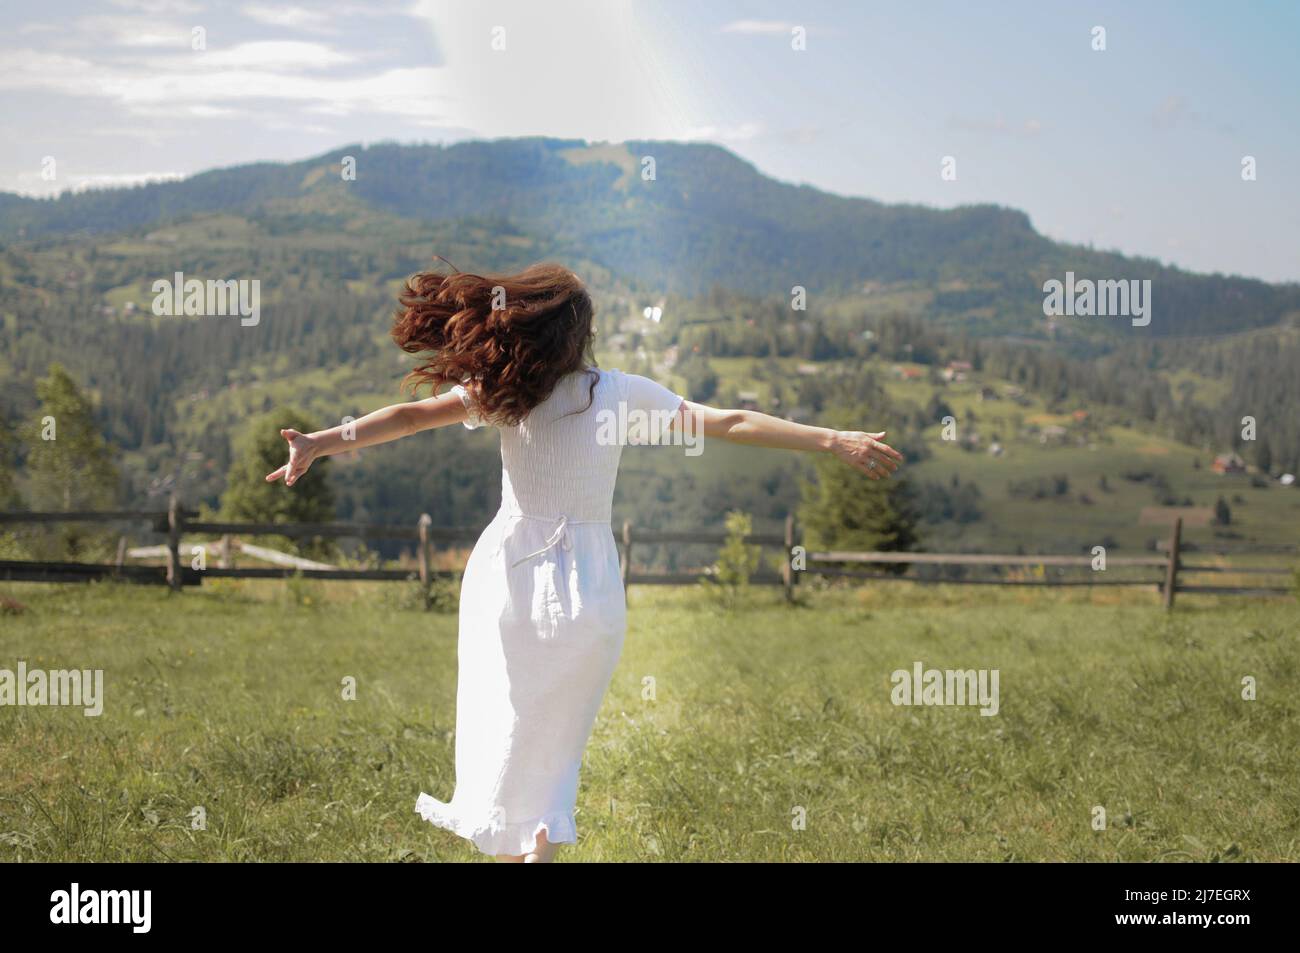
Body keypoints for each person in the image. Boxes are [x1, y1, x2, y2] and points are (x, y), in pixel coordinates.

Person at [267, 262, 902, 862]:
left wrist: (321, 442)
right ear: (579, 336)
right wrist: (831, 439)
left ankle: (520, 841)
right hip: (589, 588)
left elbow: (407, 417)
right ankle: (540, 839)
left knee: (504, 719)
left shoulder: (503, 391)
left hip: (507, 577)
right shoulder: (619, 394)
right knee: (557, 739)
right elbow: (730, 421)